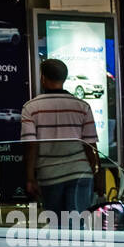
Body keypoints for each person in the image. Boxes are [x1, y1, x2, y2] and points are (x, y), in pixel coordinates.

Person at [20, 58, 98, 215]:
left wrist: (30, 178)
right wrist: (98, 176)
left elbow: (31, 145)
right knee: (78, 227)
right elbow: (91, 146)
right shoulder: (82, 106)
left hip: (50, 176)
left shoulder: (31, 108)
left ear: (42, 77)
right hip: (80, 172)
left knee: (57, 229)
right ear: (64, 78)